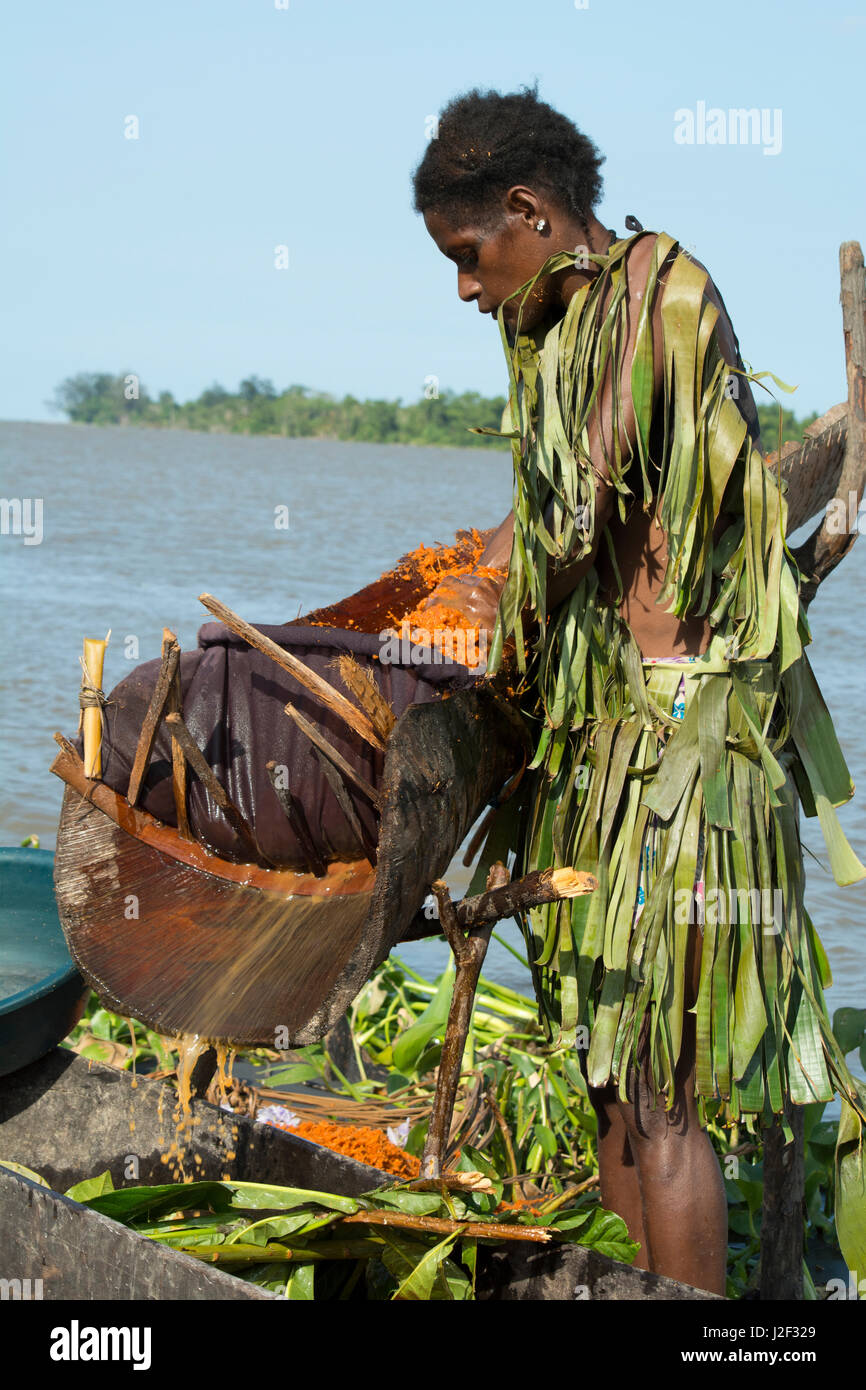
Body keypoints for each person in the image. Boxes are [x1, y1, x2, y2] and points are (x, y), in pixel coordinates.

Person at [412, 86, 866, 1296]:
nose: (464, 288)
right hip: (601, 738)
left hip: (686, 743)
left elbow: (572, 509)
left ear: (527, 211)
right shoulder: (554, 328)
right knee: (606, 1059)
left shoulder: (662, 291)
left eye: (468, 256)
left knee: (663, 1080)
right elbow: (544, 517)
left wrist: (458, 617)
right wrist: (430, 595)